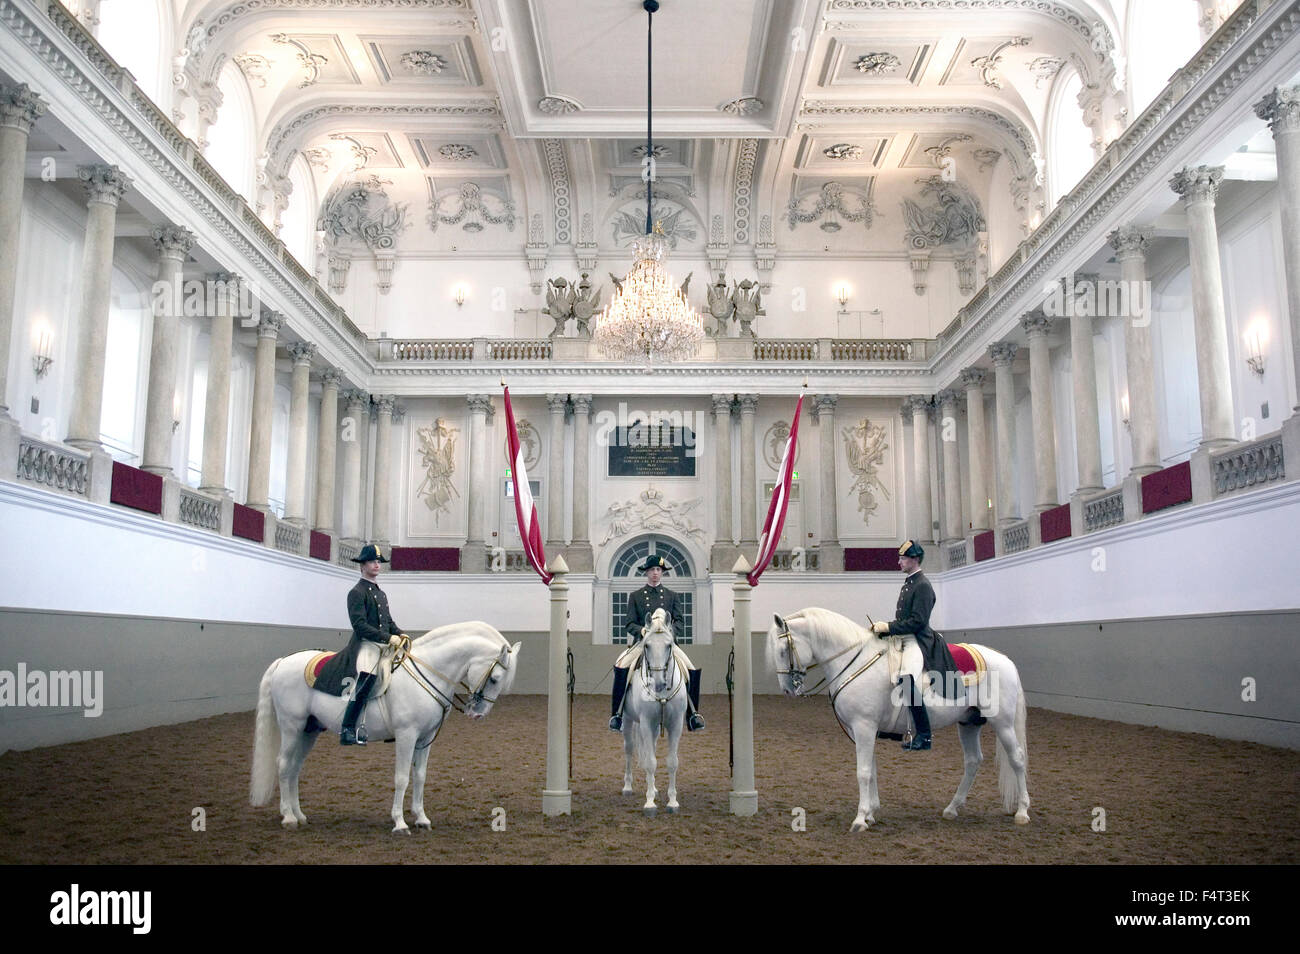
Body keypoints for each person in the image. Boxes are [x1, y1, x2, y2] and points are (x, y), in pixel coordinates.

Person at [312, 544, 407, 745]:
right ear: (362, 565)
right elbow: (360, 625)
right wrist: (387, 637)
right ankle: (348, 728)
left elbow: (388, 621)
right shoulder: (356, 592)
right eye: (372, 561)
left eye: (378, 562)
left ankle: (390, 723)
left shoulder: (380, 593)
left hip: (383, 645)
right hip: (366, 645)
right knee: (367, 676)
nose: (377, 565)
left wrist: (400, 634)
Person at [869, 540, 957, 752]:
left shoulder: (922, 585)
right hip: (902, 639)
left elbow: (918, 621)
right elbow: (904, 619)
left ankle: (924, 735)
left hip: (917, 640)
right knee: (887, 673)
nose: (899, 562)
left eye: (903, 558)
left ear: (915, 559)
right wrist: (886, 629)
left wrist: (889, 627)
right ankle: (894, 728)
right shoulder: (909, 583)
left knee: (907, 680)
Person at [609, 555, 705, 732]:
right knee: (622, 667)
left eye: (658, 570)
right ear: (646, 572)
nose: (655, 573)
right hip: (643, 644)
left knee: (690, 668)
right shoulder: (636, 596)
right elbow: (629, 623)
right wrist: (642, 631)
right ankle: (617, 714)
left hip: (667, 644)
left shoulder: (671, 596)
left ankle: (693, 714)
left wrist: (670, 633)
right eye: (652, 570)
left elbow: (680, 621)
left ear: (662, 572)